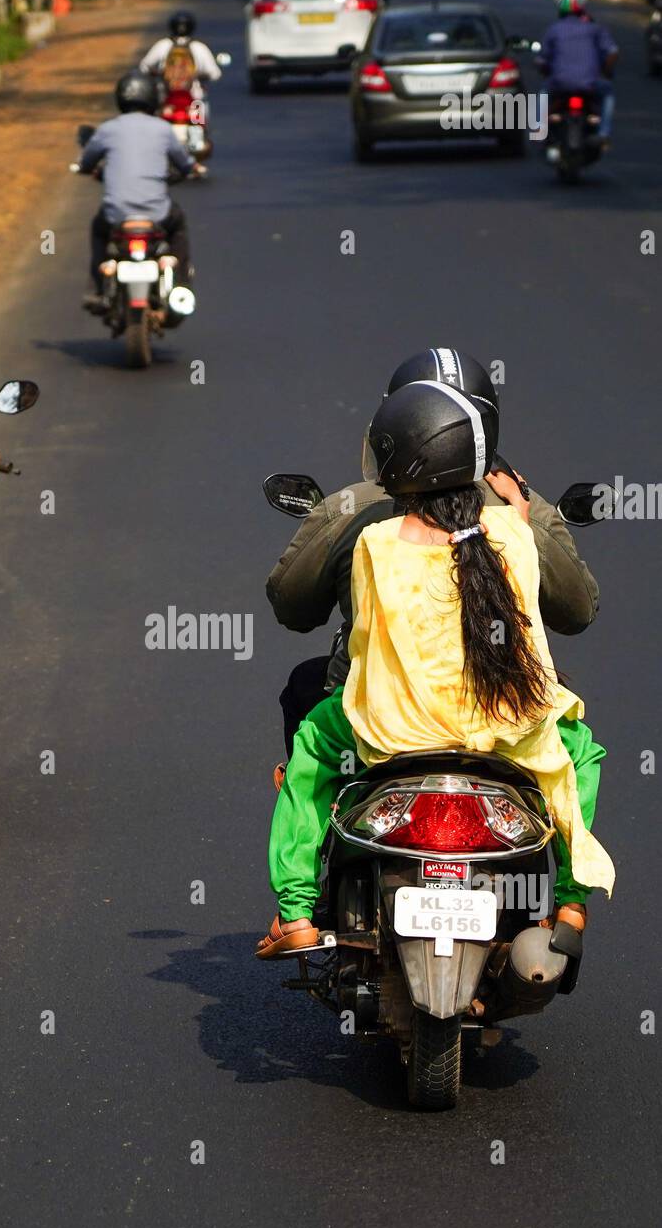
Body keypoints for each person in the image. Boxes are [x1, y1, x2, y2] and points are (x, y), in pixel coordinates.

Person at [260, 379, 614, 961]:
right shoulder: (513, 534)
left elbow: (367, 642)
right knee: (582, 751)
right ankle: (572, 900)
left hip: (395, 731)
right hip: (505, 728)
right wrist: (524, 517)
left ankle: (296, 913)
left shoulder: (376, 539)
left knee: (310, 754)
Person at [267, 349, 599, 757]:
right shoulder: (519, 515)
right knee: (579, 749)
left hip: (385, 723)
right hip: (503, 718)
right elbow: (578, 611)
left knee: (308, 734)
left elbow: (293, 607)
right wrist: (523, 527)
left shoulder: (363, 523)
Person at [79, 71, 203, 305]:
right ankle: (183, 285)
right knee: (178, 224)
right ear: (153, 98)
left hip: (116, 214)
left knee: (98, 228)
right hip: (157, 213)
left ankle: (96, 285)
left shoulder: (107, 129)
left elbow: (87, 161)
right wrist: (190, 169)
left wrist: (86, 168)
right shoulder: (163, 129)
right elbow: (184, 163)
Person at [540, 0, 618, 144]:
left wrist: (545, 69)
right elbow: (612, 52)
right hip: (590, 84)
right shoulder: (594, 28)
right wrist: (607, 71)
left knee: (543, 92)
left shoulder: (554, 29)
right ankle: (604, 133)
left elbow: (542, 59)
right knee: (608, 92)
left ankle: (539, 128)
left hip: (559, 83)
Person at [139, 11, 222, 103]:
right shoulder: (199, 47)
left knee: (157, 114)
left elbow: (144, 66)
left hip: (167, 99)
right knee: (198, 116)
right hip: (195, 100)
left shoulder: (162, 45)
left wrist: (159, 74)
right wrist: (199, 76)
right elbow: (215, 74)